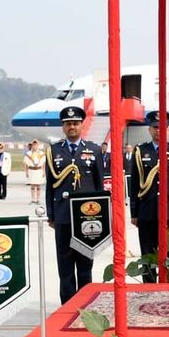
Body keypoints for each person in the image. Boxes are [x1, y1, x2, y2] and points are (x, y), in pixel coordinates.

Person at [45, 106, 104, 303]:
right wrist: (51, 214)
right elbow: (50, 186)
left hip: (87, 217)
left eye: (75, 123)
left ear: (81, 125)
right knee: (65, 264)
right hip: (62, 216)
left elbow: (99, 185)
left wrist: (101, 214)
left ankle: (86, 305)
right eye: (68, 124)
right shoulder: (53, 151)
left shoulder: (94, 150)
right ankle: (67, 306)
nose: (72, 127)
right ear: (63, 126)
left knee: (86, 264)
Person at [129, 111, 169, 282]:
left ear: (168, 129)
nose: (158, 131)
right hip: (146, 209)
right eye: (155, 127)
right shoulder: (141, 151)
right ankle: (149, 288)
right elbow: (134, 184)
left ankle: (167, 287)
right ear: (149, 129)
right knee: (147, 254)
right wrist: (134, 212)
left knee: (168, 253)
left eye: (162, 127)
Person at [24, 139, 45, 205]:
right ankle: (33, 199)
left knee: (38, 186)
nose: (35, 146)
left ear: (38, 145)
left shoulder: (41, 153)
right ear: (32, 145)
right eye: (33, 145)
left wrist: (44, 171)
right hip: (31, 170)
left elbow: (43, 164)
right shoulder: (29, 154)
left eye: (36, 145)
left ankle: (38, 200)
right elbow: (26, 164)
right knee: (32, 186)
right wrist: (26, 172)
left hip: (39, 170)